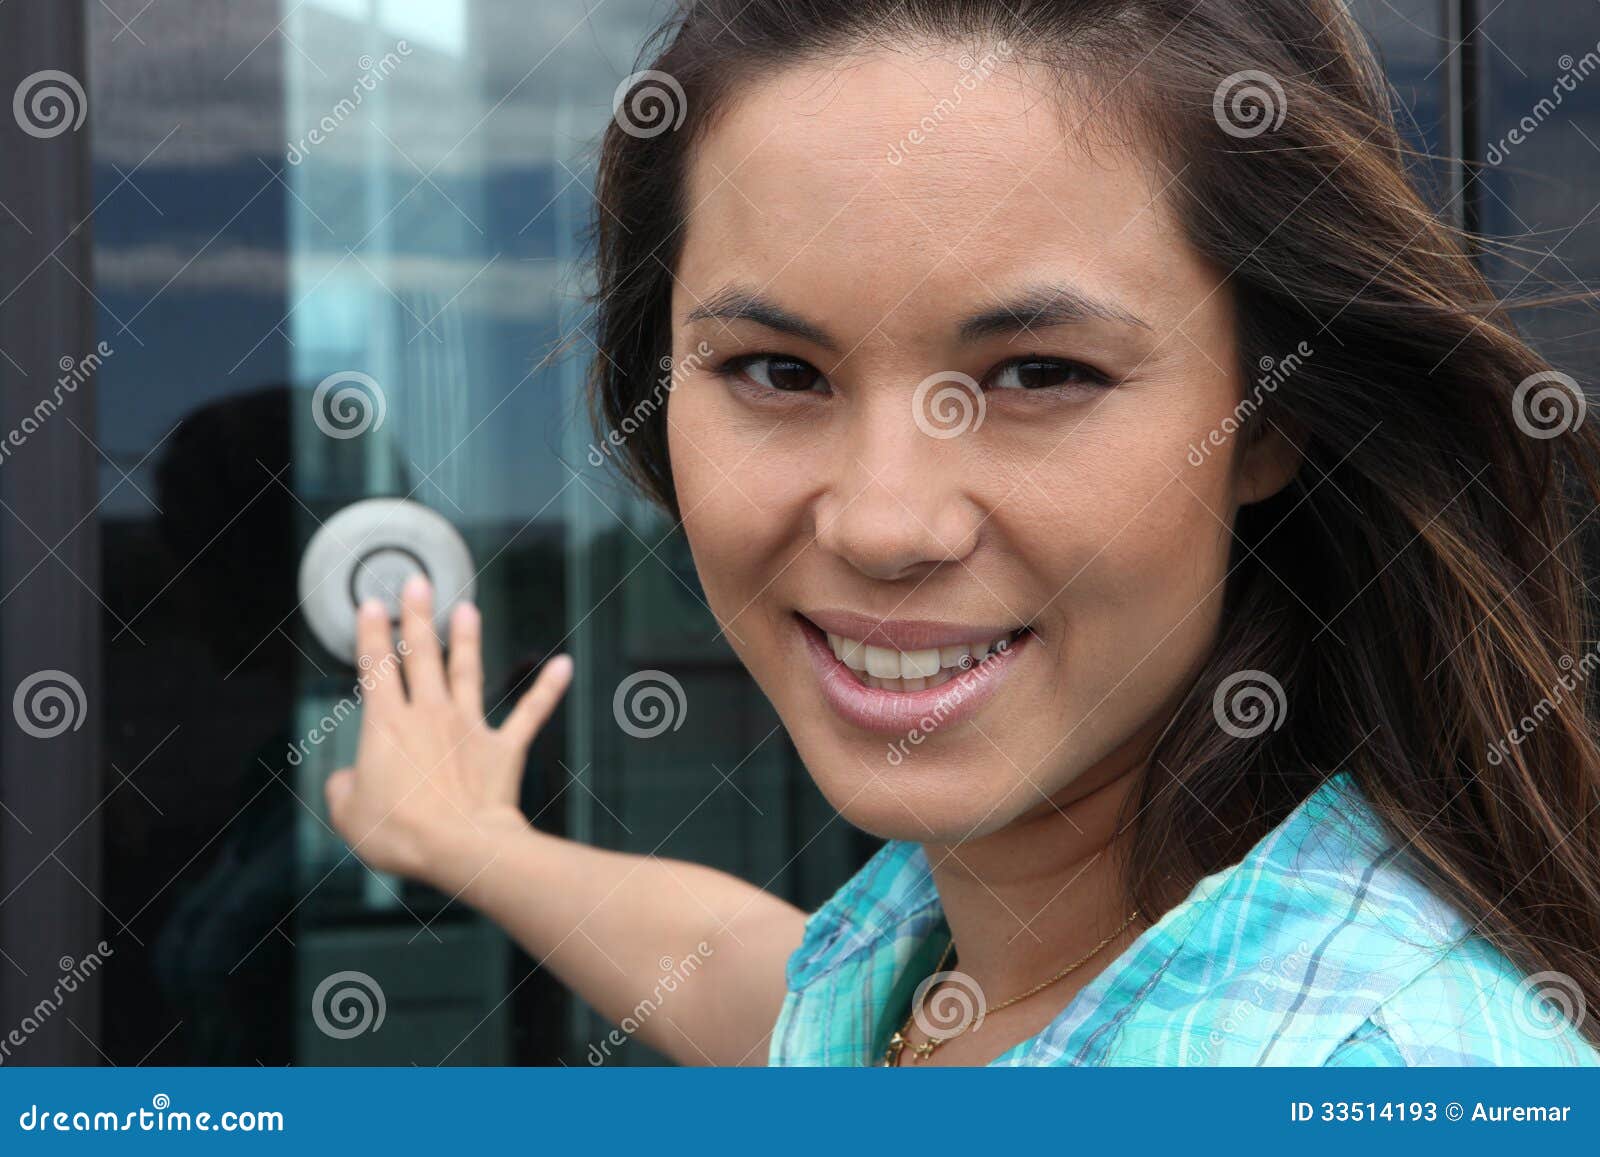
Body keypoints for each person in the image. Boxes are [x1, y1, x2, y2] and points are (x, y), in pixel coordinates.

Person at [324, 0, 1600, 1066]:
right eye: (776, 371)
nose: (886, 522)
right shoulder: (960, 945)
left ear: (1269, 411)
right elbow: (767, 986)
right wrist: (470, 839)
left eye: (1038, 373)